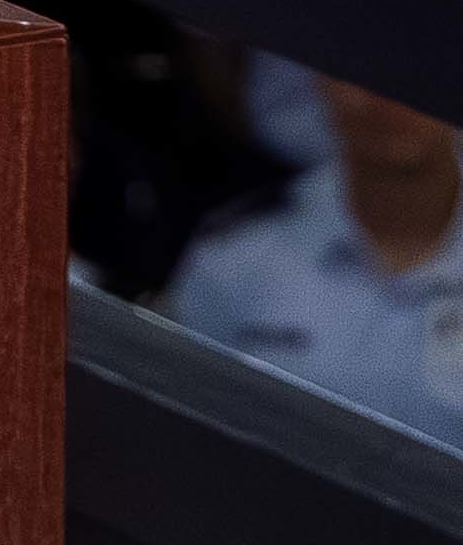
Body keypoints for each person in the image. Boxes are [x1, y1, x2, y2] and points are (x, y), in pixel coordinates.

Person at [161, 64, 463, 451]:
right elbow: (183, 428)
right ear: (318, 77)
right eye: (360, 70)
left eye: (417, 72)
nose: (390, 98)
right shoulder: (237, 255)